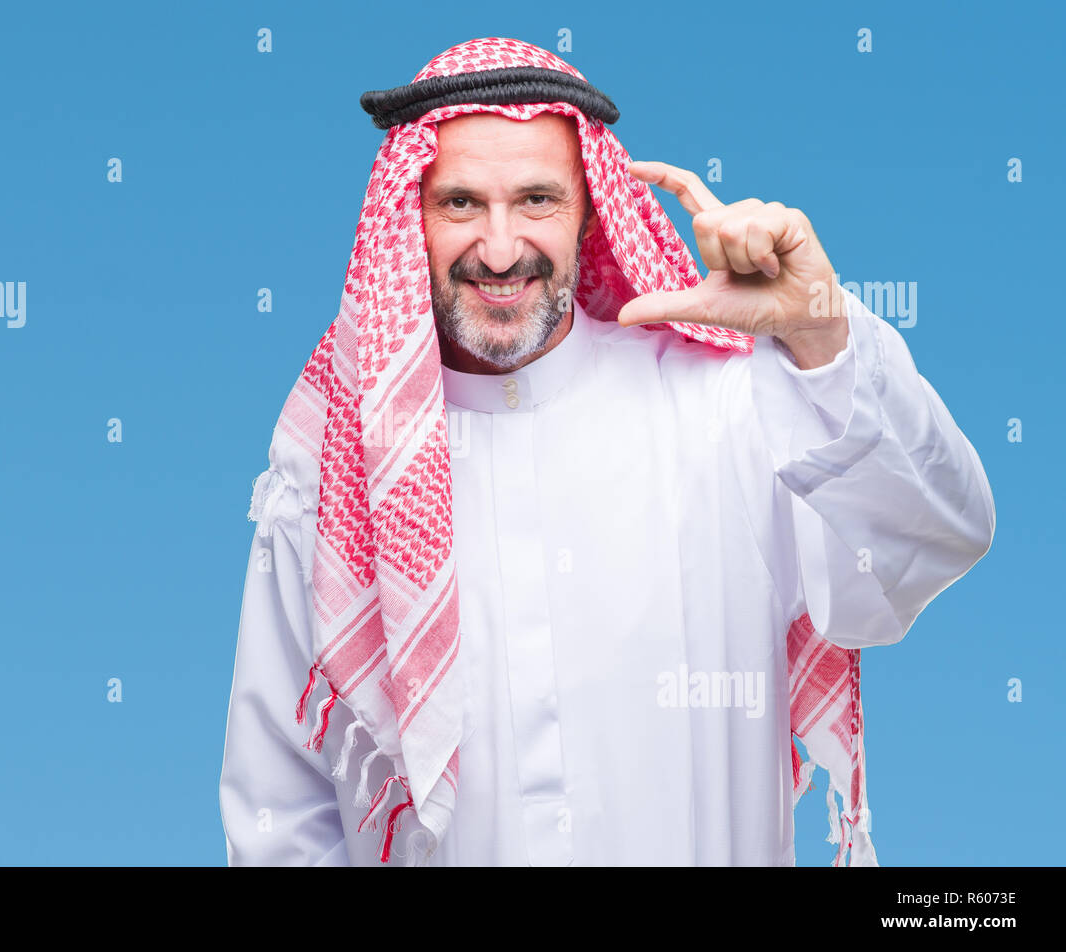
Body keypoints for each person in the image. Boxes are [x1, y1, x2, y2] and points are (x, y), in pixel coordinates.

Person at [218, 37, 995, 866]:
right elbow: (282, 809)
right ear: (408, 216)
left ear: (590, 208)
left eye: (538, 200)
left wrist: (821, 332)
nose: (501, 246)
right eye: (460, 205)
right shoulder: (335, 471)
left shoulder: (725, 408)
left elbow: (937, 536)